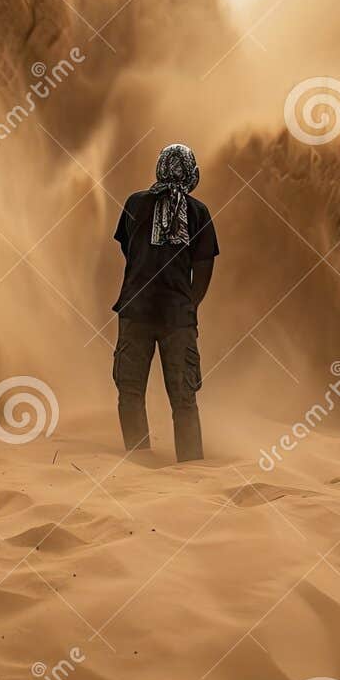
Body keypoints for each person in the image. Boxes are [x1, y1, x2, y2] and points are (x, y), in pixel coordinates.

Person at [110, 143, 218, 462]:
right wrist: (189, 305)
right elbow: (204, 269)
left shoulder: (135, 203)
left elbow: (128, 250)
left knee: (130, 392)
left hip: (134, 311)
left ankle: (138, 458)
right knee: (184, 397)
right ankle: (190, 462)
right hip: (177, 318)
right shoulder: (199, 212)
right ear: (193, 173)